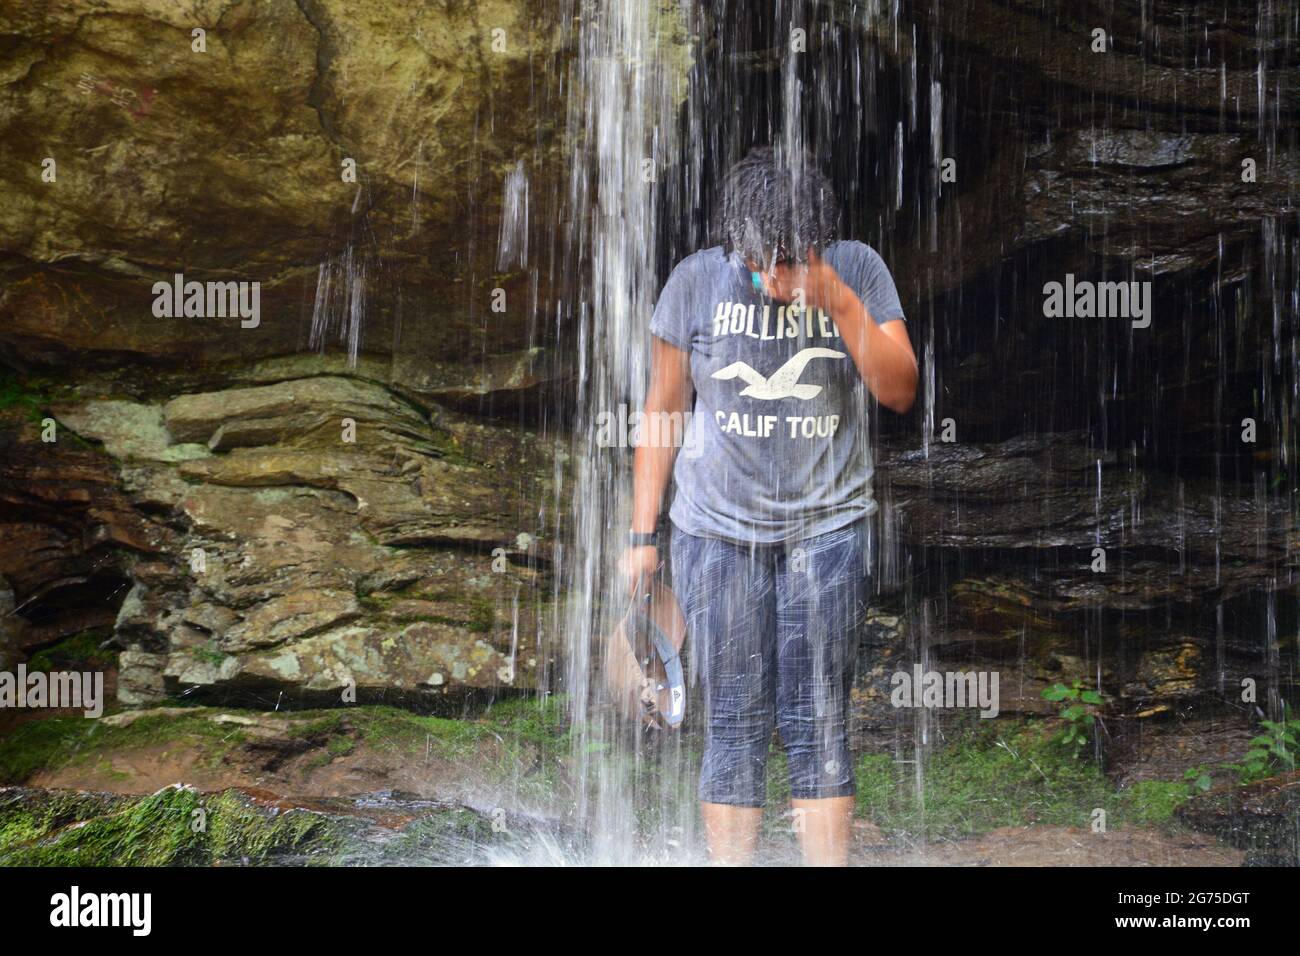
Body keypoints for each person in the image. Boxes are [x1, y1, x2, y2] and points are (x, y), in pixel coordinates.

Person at [621, 146, 917, 866]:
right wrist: (641, 533)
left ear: (818, 240)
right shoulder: (696, 283)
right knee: (733, 720)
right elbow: (663, 411)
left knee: (818, 718)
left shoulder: (859, 269)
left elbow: (900, 390)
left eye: (792, 260)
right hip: (715, 536)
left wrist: (839, 301)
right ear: (737, 243)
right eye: (762, 262)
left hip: (830, 532)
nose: (777, 278)